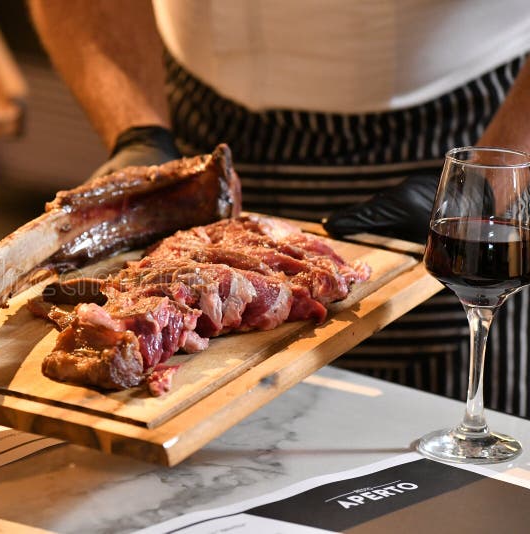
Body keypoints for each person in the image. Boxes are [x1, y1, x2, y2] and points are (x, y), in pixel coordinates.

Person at [27, 0, 530, 417]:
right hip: (197, 141)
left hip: (452, 139)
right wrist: (137, 133)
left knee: (428, 446)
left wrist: (484, 189)